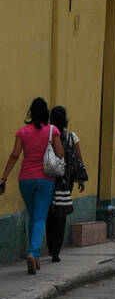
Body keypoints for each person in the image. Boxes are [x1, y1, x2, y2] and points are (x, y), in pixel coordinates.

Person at [0, 98, 66, 273]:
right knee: (39, 217)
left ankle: (34, 256)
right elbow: (60, 154)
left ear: (30, 113)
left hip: (26, 179)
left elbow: (15, 155)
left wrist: (4, 178)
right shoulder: (53, 131)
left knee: (33, 214)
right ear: (46, 113)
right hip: (46, 180)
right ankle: (33, 252)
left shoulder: (22, 132)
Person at [45, 106, 86, 262]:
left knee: (50, 212)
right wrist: (80, 179)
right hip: (65, 181)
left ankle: (50, 246)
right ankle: (56, 250)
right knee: (61, 213)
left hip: (48, 178)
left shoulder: (47, 134)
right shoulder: (71, 136)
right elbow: (79, 160)